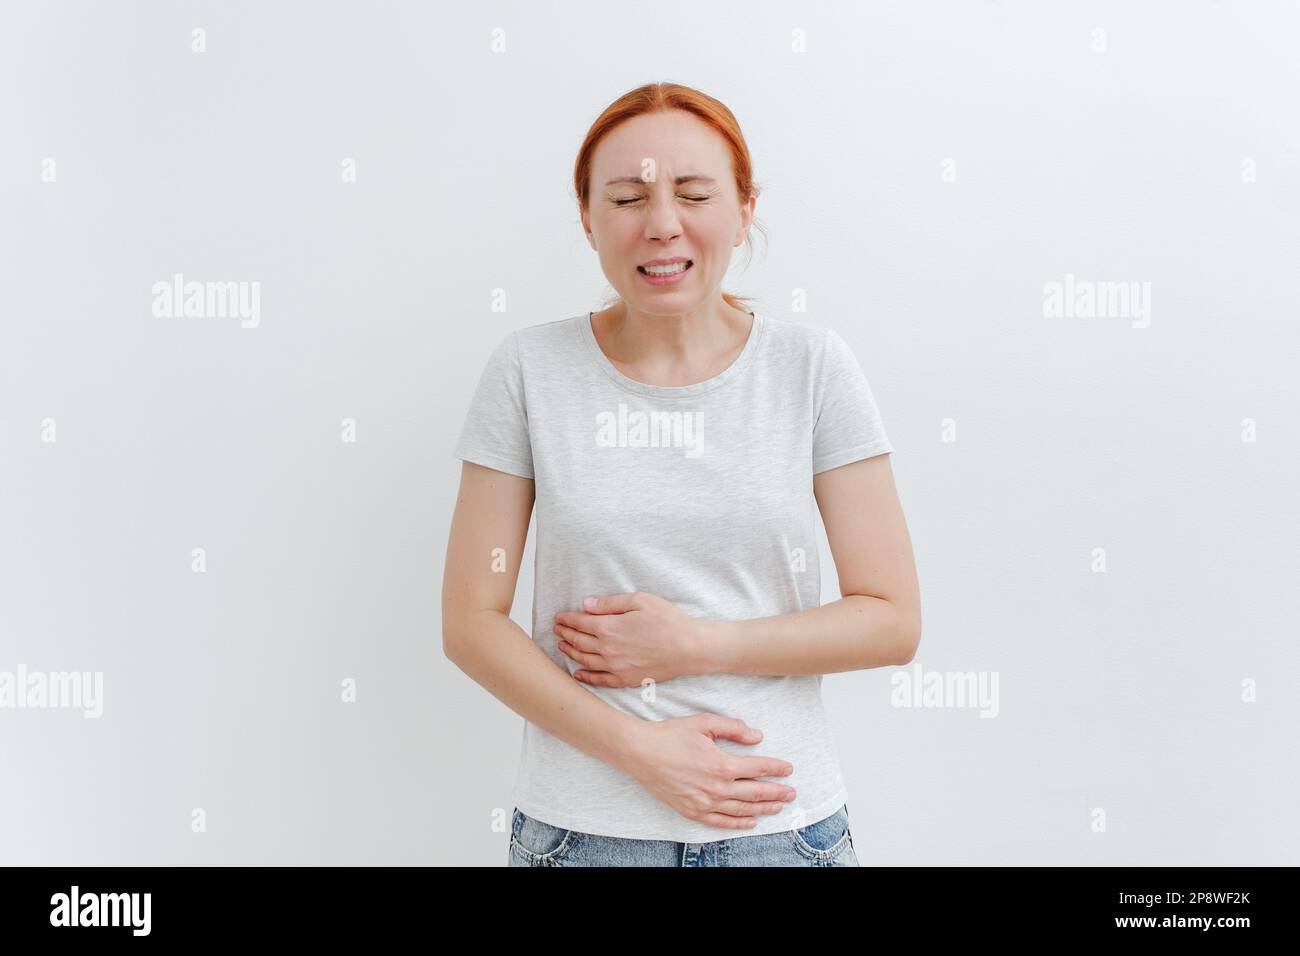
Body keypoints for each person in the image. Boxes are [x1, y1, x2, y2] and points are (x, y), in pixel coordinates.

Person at [442, 82, 921, 867]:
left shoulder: (814, 369)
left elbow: (892, 619)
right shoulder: (529, 370)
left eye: (694, 193)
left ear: (744, 208)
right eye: (628, 197)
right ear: (589, 217)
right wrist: (641, 751)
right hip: (582, 838)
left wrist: (697, 644)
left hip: (784, 833)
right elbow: (469, 623)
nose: (662, 225)